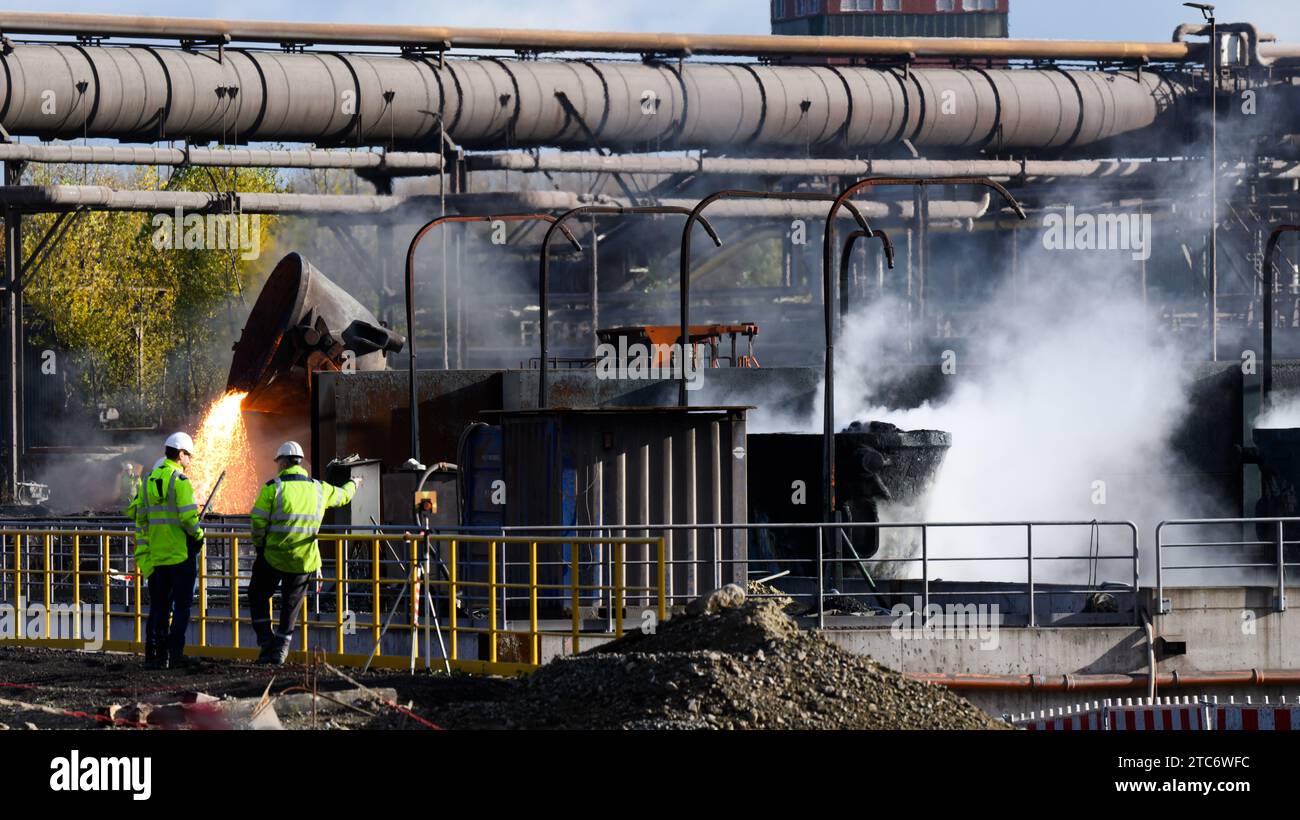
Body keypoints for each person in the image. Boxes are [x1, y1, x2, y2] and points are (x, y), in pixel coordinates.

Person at [248, 441, 359, 665]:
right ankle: (280, 651)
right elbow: (343, 496)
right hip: (304, 560)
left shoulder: (273, 488)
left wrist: (260, 545)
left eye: (279, 462)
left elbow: (257, 521)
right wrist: (354, 483)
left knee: (257, 595)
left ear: (285, 462)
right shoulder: (319, 488)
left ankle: (265, 641)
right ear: (300, 463)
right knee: (291, 605)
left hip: (273, 557)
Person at [142, 432, 205, 670]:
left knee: (159, 606)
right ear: (180, 454)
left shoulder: (149, 479)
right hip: (180, 555)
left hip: (158, 555)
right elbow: (189, 519)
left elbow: (144, 515)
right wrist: (199, 536)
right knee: (182, 607)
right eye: (188, 455)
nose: (190, 459)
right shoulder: (179, 481)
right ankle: (175, 653)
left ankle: (155, 656)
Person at [122, 464, 157, 665]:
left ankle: (153, 653)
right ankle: (159, 653)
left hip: (149, 562)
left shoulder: (142, 486)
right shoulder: (170, 488)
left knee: (156, 609)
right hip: (161, 562)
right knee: (163, 609)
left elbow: (132, 512)